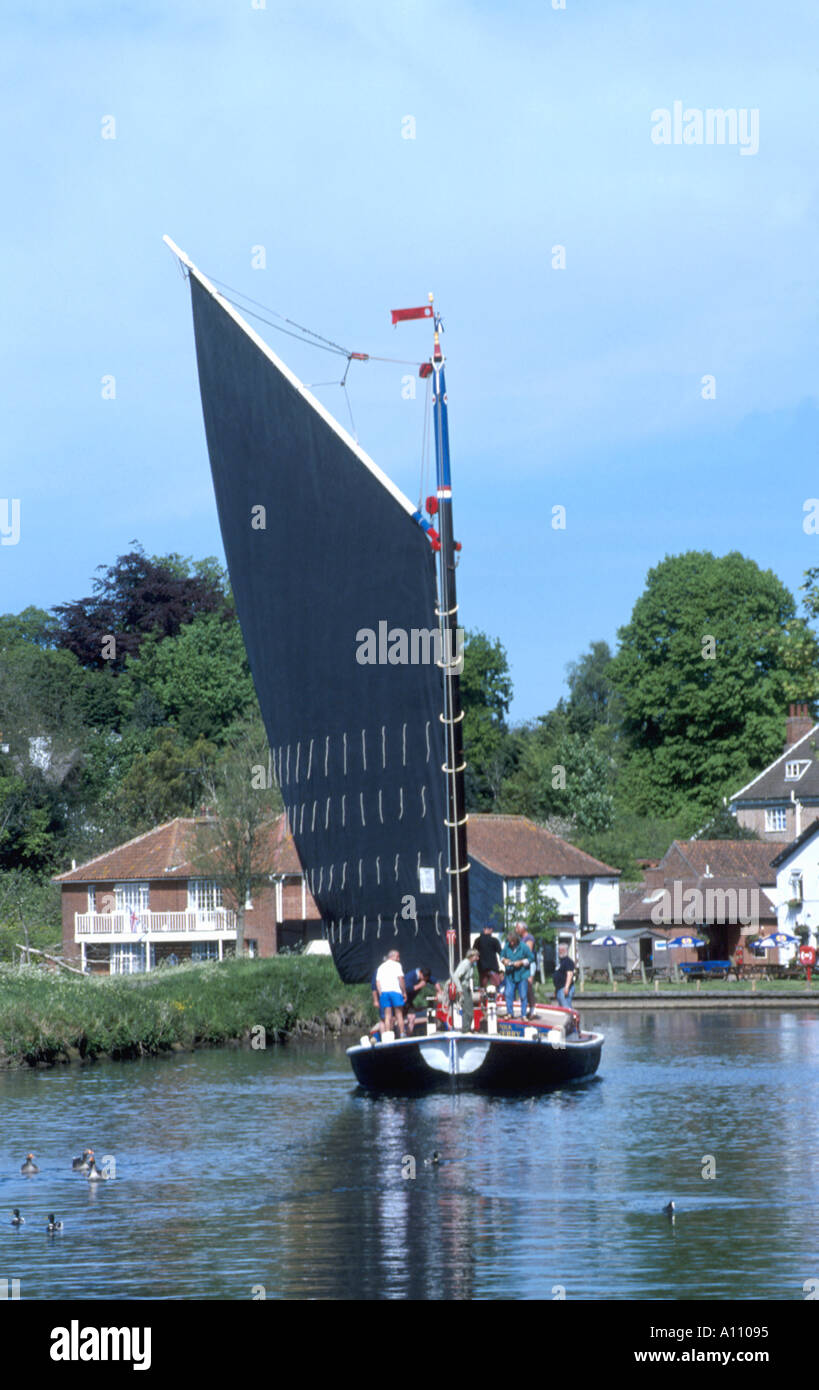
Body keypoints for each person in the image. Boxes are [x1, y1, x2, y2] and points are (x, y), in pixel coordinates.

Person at [500, 926, 534, 1020]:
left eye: (513, 941)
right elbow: (501, 956)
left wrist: (522, 962)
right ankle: (510, 1013)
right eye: (510, 941)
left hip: (522, 975)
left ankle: (523, 1015)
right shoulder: (507, 946)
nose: (511, 943)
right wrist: (504, 960)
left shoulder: (524, 946)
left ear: (516, 940)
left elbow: (531, 958)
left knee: (523, 995)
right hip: (510, 975)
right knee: (508, 994)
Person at [375, 949, 407, 1037]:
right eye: (397, 957)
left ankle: (387, 1035)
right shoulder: (397, 965)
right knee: (399, 1014)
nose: (399, 959)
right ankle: (402, 1033)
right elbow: (401, 979)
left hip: (384, 993)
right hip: (395, 992)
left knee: (387, 1016)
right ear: (392, 956)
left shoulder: (381, 967)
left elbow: (377, 982)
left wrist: (381, 993)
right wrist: (404, 992)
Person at [402, 966, 438, 1035]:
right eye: (424, 978)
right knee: (398, 1017)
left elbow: (435, 981)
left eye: (426, 979)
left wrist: (439, 991)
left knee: (412, 1017)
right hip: (402, 998)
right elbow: (407, 989)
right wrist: (419, 985)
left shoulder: (424, 977)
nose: (425, 980)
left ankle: (408, 1034)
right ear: (420, 974)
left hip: (409, 1001)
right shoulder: (411, 976)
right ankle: (400, 1034)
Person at [452, 949, 480, 1031]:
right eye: (476, 956)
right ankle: (465, 1029)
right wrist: (460, 990)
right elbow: (455, 976)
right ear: (472, 956)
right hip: (463, 988)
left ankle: (467, 1029)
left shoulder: (471, 965)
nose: (478, 958)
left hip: (467, 988)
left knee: (470, 1010)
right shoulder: (465, 964)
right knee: (467, 1010)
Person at [516, 920, 537, 1018]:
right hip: (523, 965)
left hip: (529, 964)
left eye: (517, 928)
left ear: (523, 928)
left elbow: (528, 951)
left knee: (528, 986)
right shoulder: (521, 939)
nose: (516, 930)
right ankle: (526, 1009)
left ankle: (533, 1009)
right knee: (523, 986)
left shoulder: (529, 938)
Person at [476, 925, 503, 989]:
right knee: (497, 988)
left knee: (483, 989)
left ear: (484, 929)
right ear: (491, 930)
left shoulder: (477, 941)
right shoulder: (494, 940)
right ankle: (496, 998)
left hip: (482, 969)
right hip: (493, 968)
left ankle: (483, 998)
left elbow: (474, 953)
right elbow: (501, 953)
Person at [553, 942, 575, 1008]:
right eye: (559, 950)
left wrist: (566, 987)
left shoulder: (568, 961)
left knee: (566, 1007)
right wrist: (556, 989)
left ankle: (571, 1018)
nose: (560, 952)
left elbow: (570, 975)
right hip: (559, 988)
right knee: (562, 1008)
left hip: (564, 988)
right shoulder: (561, 962)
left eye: (561, 950)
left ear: (565, 950)